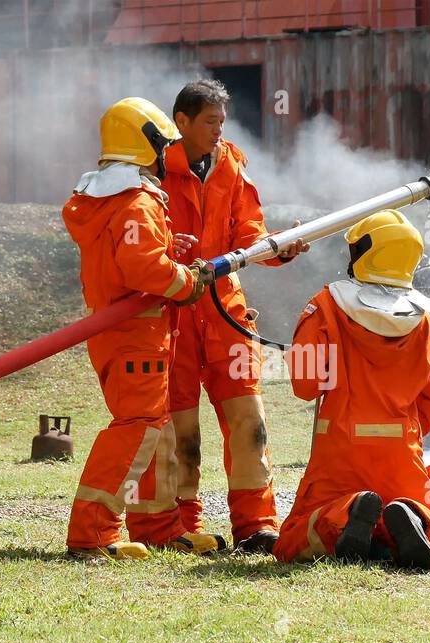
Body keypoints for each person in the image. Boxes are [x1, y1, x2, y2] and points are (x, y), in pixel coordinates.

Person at [61, 96, 225, 560]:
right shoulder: (135, 199)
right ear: (147, 144)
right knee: (135, 428)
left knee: (154, 429)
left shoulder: (112, 197)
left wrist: (170, 245)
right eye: (163, 145)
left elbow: (130, 254)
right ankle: (93, 534)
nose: (166, 154)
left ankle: (157, 526)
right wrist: (187, 279)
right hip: (136, 334)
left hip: (134, 332)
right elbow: (140, 267)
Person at [160, 79, 308, 555]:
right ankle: (184, 526)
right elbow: (143, 238)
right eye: (209, 123)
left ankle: (257, 525)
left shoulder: (231, 166)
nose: (218, 132)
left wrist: (279, 248)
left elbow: (249, 231)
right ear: (181, 122)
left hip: (227, 313)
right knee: (180, 427)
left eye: (222, 123)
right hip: (174, 312)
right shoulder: (156, 168)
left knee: (249, 419)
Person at [274, 210, 430, 569]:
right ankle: (415, 519)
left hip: (339, 452)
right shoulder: (428, 325)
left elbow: (306, 386)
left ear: (363, 255)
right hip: (401, 455)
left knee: (293, 540)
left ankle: (348, 513)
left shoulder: (325, 306)